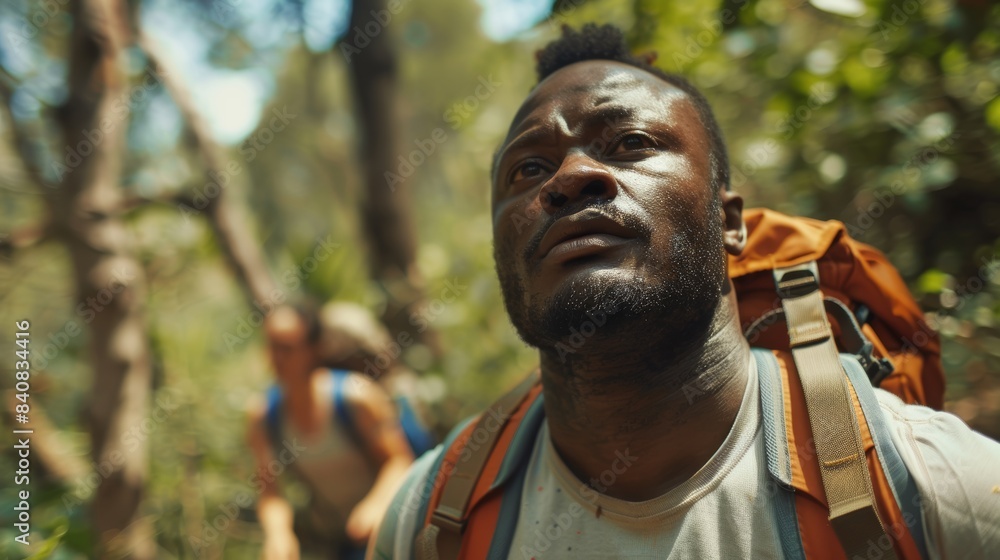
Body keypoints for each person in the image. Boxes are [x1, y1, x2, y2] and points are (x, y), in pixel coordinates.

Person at [369, 24, 1000, 559]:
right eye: (529, 168)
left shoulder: (940, 490)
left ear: (730, 222)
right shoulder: (425, 523)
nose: (571, 177)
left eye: (630, 144)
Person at [247, 303, 413, 559]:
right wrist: (278, 533)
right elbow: (270, 492)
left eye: (287, 348)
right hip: (342, 544)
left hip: (397, 525)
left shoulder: (356, 397)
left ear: (313, 349)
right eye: (272, 346)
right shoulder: (263, 418)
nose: (277, 359)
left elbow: (399, 460)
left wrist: (377, 505)